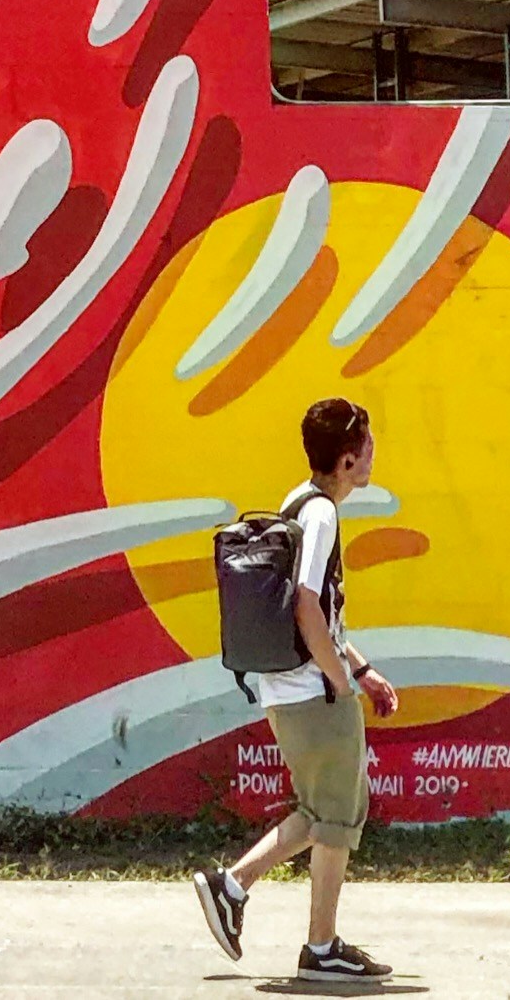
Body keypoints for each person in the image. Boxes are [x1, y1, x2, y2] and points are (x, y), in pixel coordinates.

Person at [192, 394, 401, 983]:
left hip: (287, 687)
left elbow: (318, 615)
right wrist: (340, 683)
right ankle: (321, 947)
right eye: (366, 443)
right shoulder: (324, 516)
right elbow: (307, 607)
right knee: (337, 816)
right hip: (312, 690)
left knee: (322, 810)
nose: (372, 452)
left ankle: (231, 888)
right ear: (346, 460)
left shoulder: (298, 502)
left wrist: (360, 669)